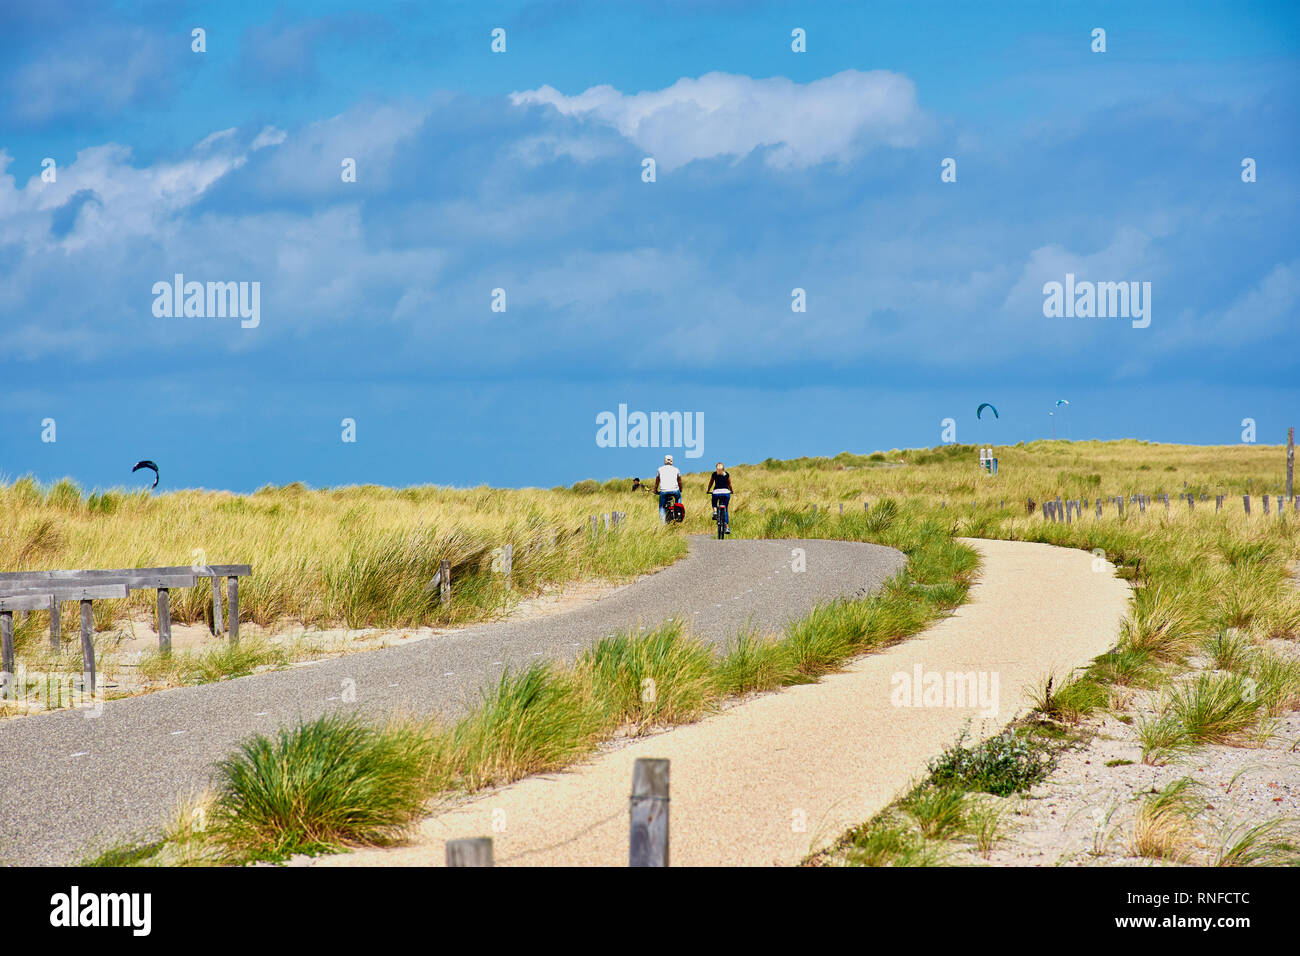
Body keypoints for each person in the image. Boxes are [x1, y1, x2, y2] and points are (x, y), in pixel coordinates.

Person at [706, 461, 733, 533]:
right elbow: (729, 484)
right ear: (723, 468)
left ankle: (715, 511)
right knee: (726, 510)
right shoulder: (727, 474)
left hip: (716, 493)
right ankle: (727, 527)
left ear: (716, 468)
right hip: (726, 493)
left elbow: (710, 483)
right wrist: (732, 490)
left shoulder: (714, 474)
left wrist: (708, 490)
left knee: (714, 503)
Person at [654, 454, 682, 522]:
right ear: (672, 461)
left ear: (664, 461)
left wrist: (655, 490)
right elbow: (680, 482)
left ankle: (663, 523)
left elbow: (657, 481)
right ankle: (678, 513)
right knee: (678, 498)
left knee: (661, 507)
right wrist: (680, 489)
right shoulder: (676, 469)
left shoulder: (659, 469)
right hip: (675, 490)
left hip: (663, 491)